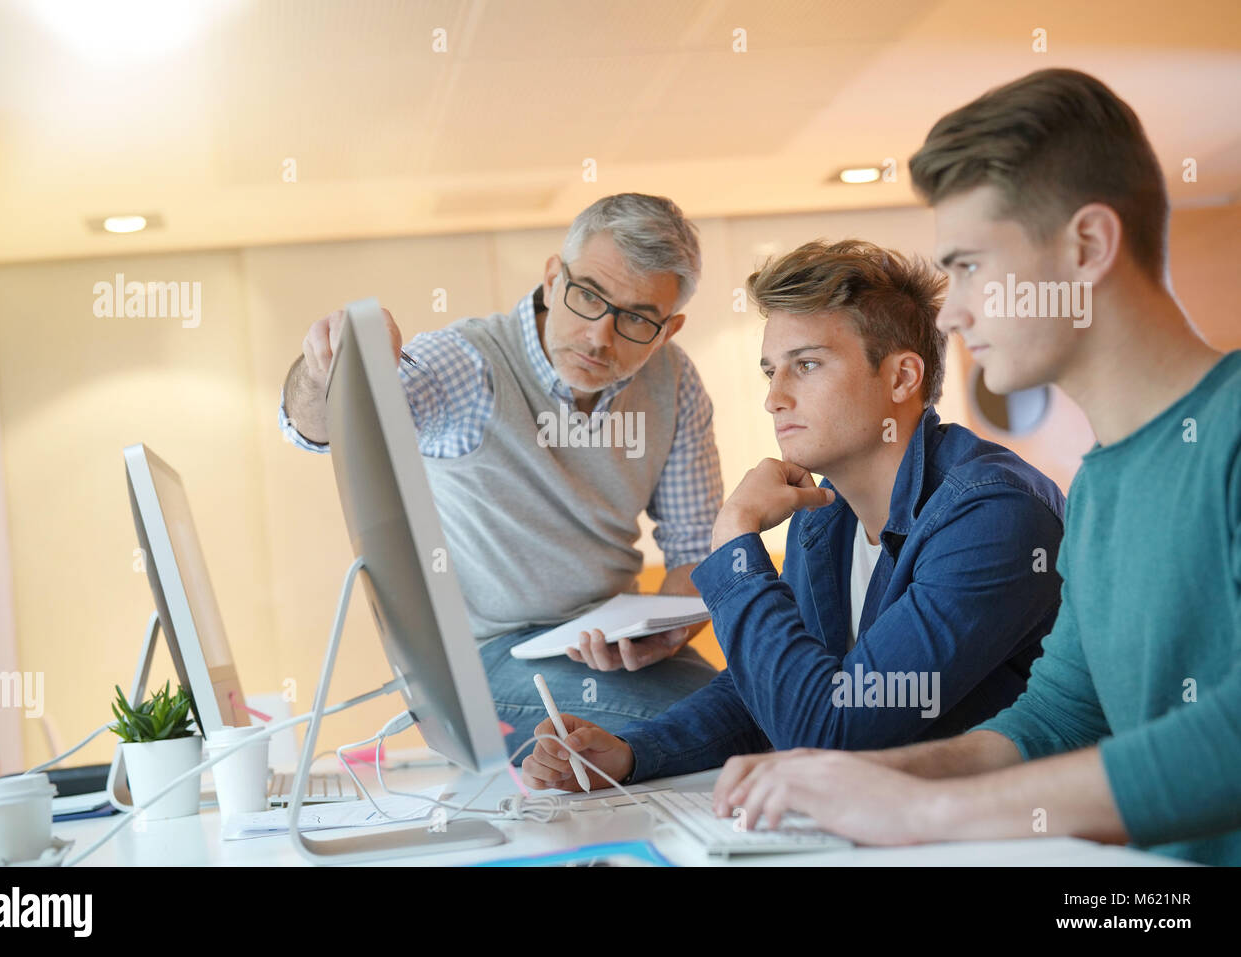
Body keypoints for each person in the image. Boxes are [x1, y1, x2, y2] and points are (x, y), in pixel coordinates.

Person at [711, 68, 1241, 867]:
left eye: (969, 266)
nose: (952, 313)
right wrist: (836, 777)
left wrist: (926, 807)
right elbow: (1058, 718)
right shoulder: (1100, 486)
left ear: (1088, 246)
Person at [519, 238, 1066, 791]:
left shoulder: (992, 516)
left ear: (902, 378)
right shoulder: (824, 513)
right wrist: (633, 753)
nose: (774, 398)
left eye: (806, 365)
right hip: (885, 825)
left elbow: (831, 731)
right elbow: (766, 688)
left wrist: (735, 541)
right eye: (770, 371)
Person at [279, 193, 724, 760]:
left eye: (636, 318)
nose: (599, 337)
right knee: (730, 723)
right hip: (482, 661)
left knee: (749, 705)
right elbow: (312, 431)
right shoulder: (470, 365)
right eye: (589, 296)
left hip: (608, 645)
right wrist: (330, 367)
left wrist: (669, 632)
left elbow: (695, 551)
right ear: (552, 277)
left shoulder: (675, 383)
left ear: (670, 327)